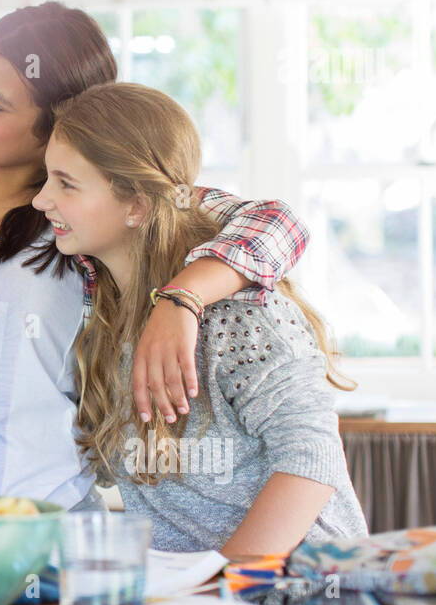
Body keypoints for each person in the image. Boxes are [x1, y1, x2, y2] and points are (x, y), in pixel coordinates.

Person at [0, 2, 311, 507]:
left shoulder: (95, 211)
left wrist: (180, 298)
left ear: (56, 122)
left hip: (50, 524)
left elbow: (278, 224)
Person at [33, 81, 368, 555]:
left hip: (302, 598)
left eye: (66, 184)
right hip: (196, 601)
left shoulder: (242, 316)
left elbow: (312, 463)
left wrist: (221, 584)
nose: (40, 200)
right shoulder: (102, 319)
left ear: (137, 206)